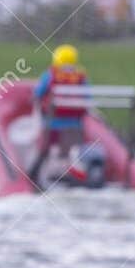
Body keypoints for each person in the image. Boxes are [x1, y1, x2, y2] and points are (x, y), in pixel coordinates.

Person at [27, 43, 89, 186]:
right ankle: (68, 176)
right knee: (67, 153)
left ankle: (33, 177)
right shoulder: (80, 77)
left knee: (44, 150)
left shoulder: (50, 75)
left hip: (52, 124)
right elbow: (86, 97)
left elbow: (38, 94)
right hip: (74, 126)